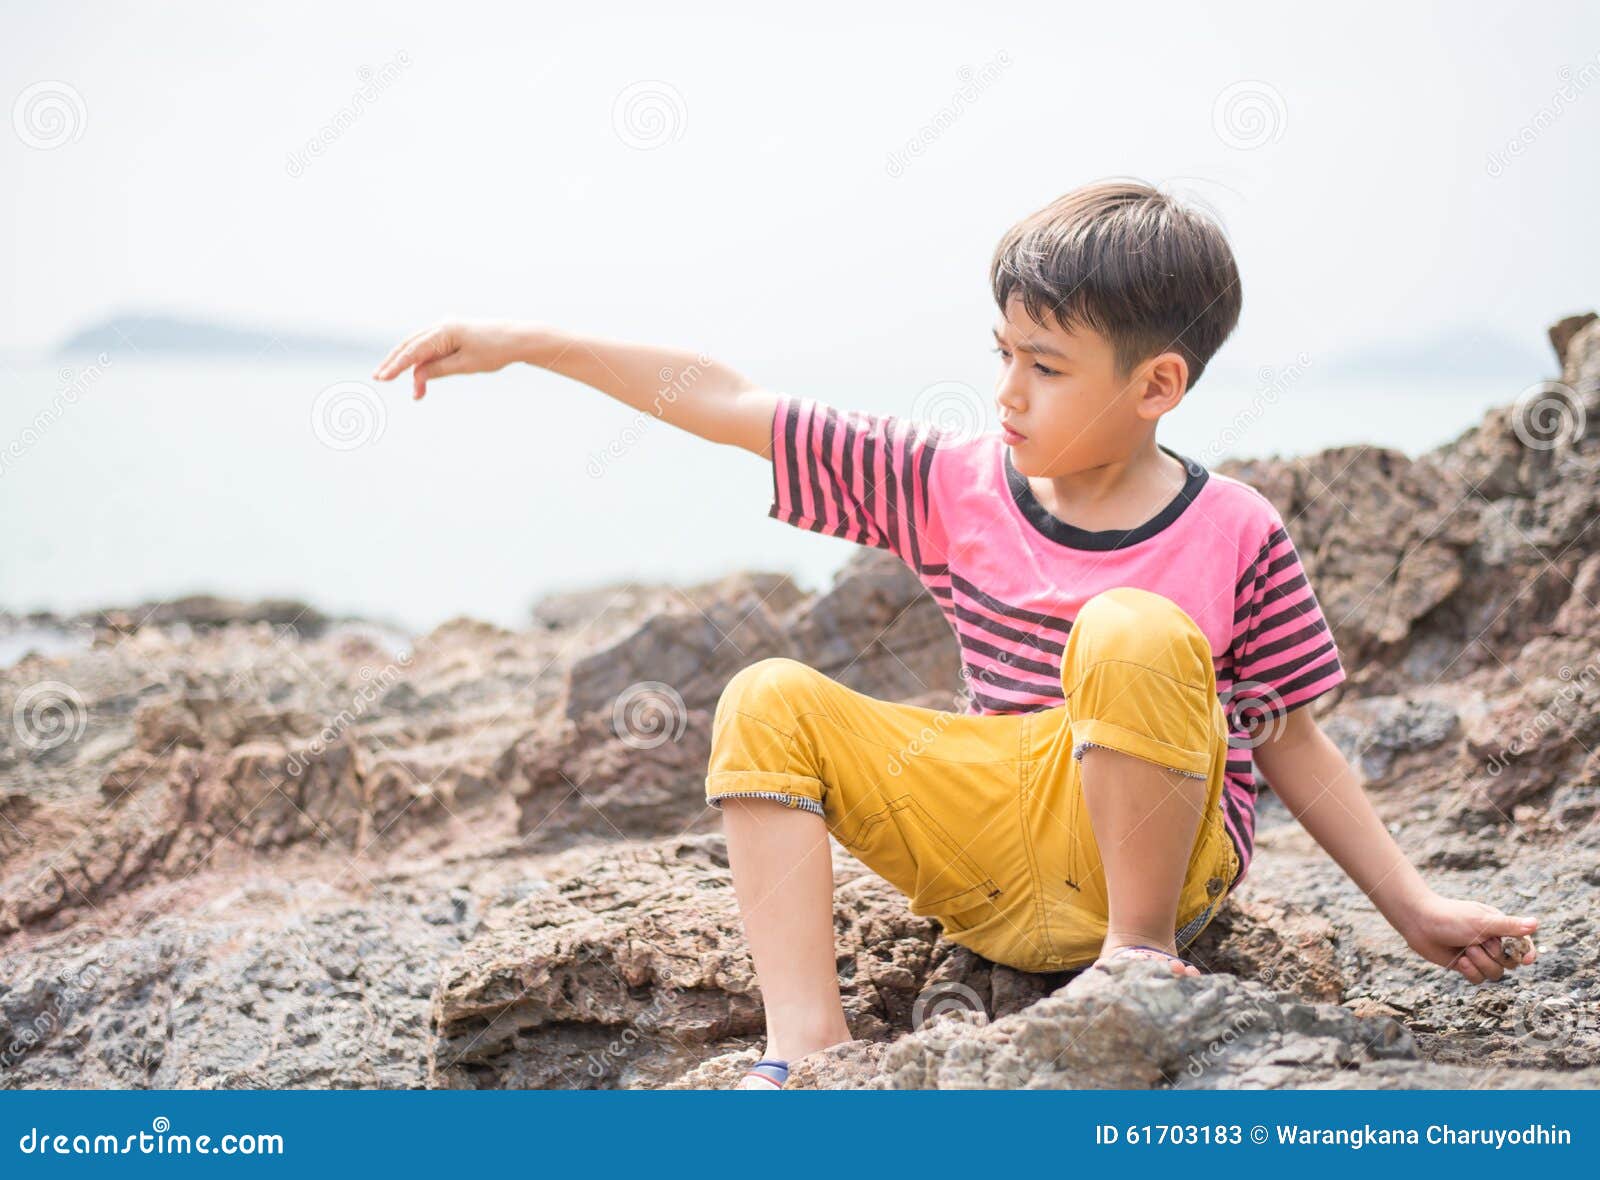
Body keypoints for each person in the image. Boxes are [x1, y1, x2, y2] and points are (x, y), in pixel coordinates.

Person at [372, 180, 1540, 1092]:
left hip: (1154, 862)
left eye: (1045, 366)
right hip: (986, 853)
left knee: (1130, 630)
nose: (1008, 393)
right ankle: (808, 1044)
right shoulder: (949, 484)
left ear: (1157, 384)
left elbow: (1286, 737)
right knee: (767, 693)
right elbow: (727, 402)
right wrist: (525, 340)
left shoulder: (1234, 528)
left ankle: (1132, 967)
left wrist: (1412, 906)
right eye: (1002, 355)